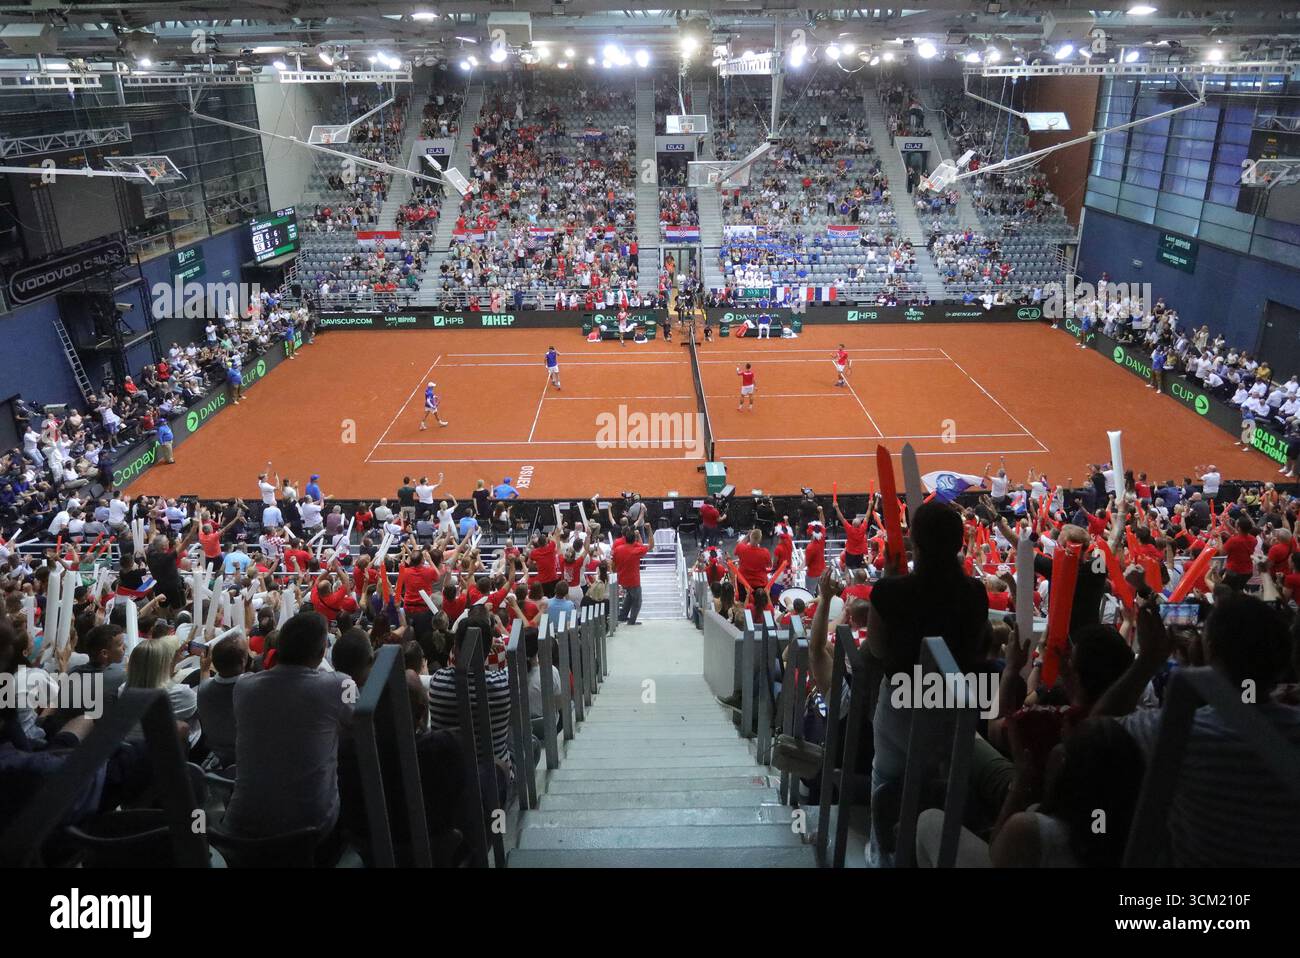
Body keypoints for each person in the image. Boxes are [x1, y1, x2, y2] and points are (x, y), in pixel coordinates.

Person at [864, 501, 989, 866]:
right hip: (954, 706)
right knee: (944, 784)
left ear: (914, 544)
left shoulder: (889, 592)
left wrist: (887, 582)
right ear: (958, 544)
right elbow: (978, 649)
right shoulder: (975, 593)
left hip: (902, 701)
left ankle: (883, 858)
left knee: (885, 778)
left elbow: (876, 647)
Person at [222, 612, 353, 851]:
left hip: (240, 830)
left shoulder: (243, 686)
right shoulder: (338, 684)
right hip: (311, 832)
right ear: (322, 651)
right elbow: (361, 728)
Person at [611, 527, 649, 625]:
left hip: (621, 578)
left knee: (629, 597)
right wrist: (649, 531)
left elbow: (613, 563)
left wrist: (614, 573)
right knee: (637, 601)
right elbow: (649, 546)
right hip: (633, 580)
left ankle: (623, 616)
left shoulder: (617, 548)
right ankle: (632, 621)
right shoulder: (635, 550)